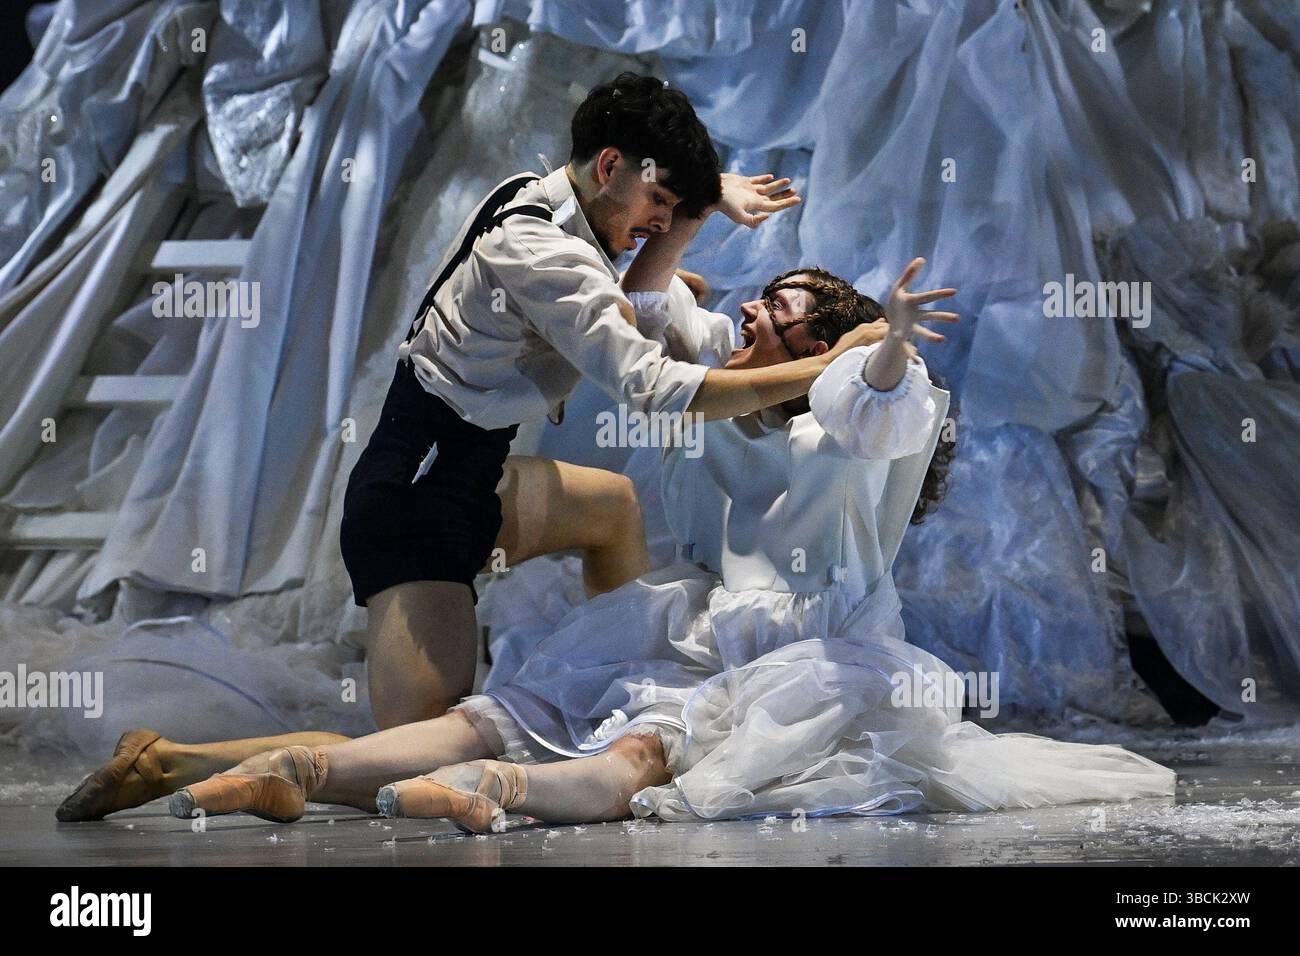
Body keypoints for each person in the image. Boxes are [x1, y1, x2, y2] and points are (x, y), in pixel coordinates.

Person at [57, 258, 1175, 827]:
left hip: (814, 661)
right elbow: (657, 301)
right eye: (761, 304)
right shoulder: (732, 378)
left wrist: (882, 344)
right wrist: (692, 239)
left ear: (825, 339)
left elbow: (879, 392)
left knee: (638, 756)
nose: (754, 317)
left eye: (782, 310)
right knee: (485, 713)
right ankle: (210, 766)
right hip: (692, 629)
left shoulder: (858, 417)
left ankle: (471, 785)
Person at [338, 71, 880, 729]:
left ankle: (631, 692)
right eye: (657, 198)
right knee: (428, 742)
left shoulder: (538, 199)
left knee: (612, 506)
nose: (657, 220)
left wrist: (688, 213)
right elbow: (651, 384)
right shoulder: (540, 251)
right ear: (610, 165)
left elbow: (627, 302)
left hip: (477, 473)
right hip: (415, 496)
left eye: (668, 205)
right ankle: (197, 763)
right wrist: (821, 367)